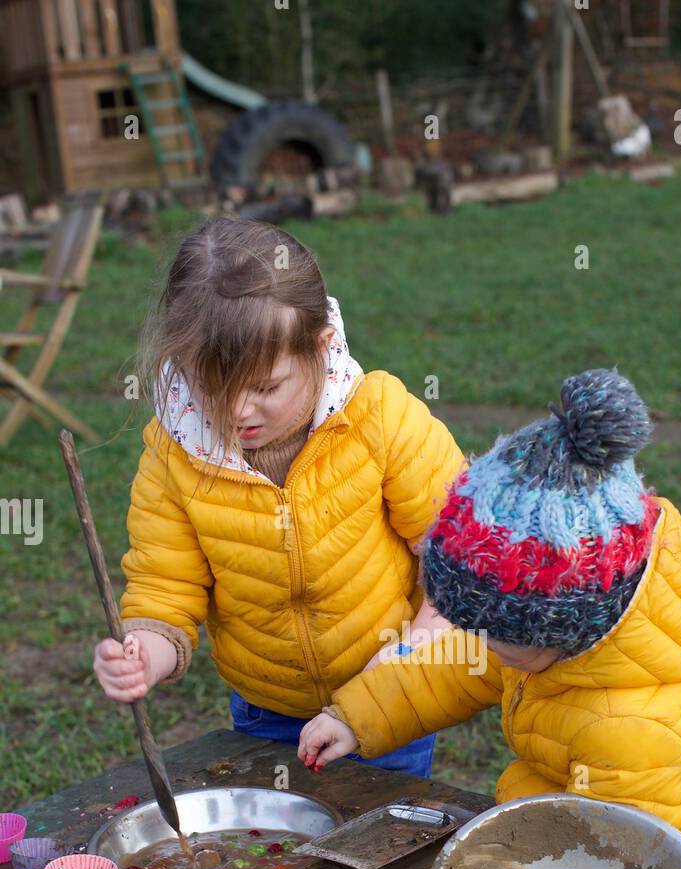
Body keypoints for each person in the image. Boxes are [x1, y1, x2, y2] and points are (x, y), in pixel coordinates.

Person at [299, 368, 681, 869]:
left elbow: (623, 853)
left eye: (489, 630)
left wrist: (514, 853)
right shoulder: (537, 641)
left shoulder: (628, 726)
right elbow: (453, 669)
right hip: (642, 808)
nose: (475, 640)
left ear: (563, 628)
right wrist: (358, 715)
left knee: (524, 804)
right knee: (522, 794)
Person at [92, 218, 460, 777]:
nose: (238, 411)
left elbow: (456, 544)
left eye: (265, 388)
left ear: (320, 346)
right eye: (211, 387)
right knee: (283, 846)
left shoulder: (378, 417)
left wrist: (420, 645)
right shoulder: (175, 454)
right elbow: (165, 587)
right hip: (267, 710)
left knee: (384, 844)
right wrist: (144, 652)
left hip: (389, 695)